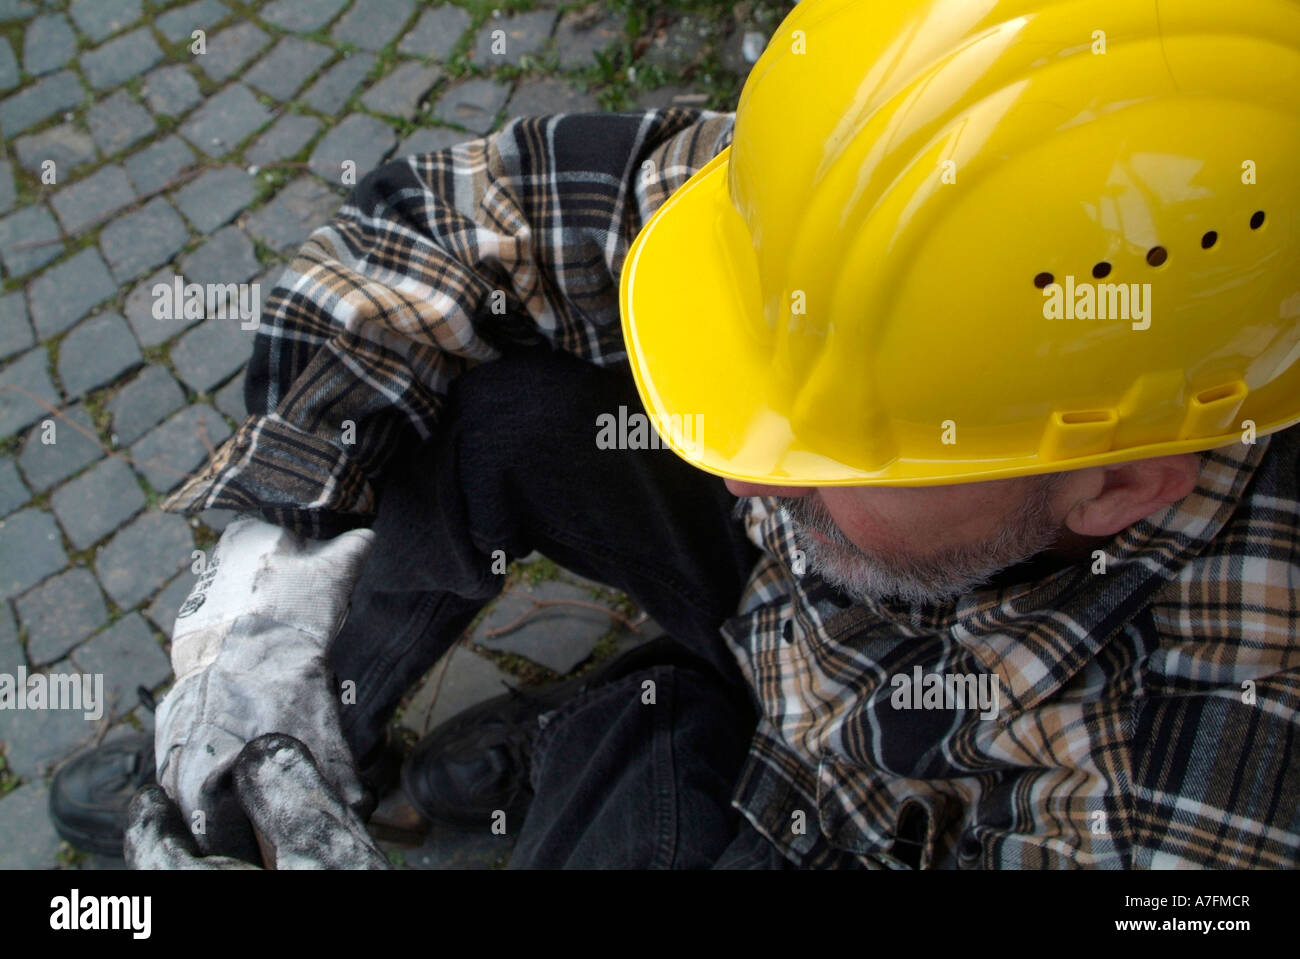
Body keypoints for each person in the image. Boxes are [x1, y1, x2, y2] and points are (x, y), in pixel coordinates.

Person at [55, 0, 1300, 869]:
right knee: (477, 408)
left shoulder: (1191, 784)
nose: (732, 462)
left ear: (1122, 484)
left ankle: (604, 741)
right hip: (799, 621)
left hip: (836, 819)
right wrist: (269, 565)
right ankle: (269, 752)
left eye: (831, 447)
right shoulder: (876, 226)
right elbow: (424, 224)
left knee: (627, 773)